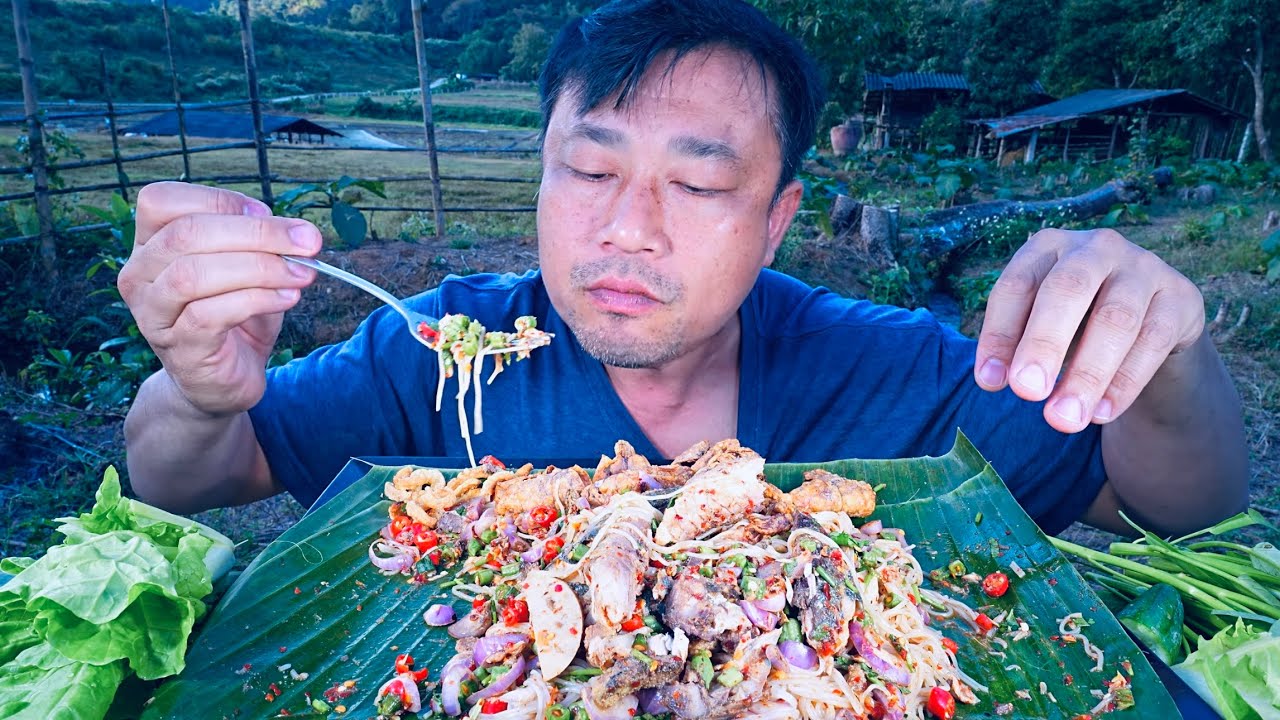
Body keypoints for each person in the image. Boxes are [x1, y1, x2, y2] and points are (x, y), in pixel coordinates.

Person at [118, 0, 1248, 538]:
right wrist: (197, 392)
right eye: (589, 170)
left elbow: (1176, 508)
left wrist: (1168, 365)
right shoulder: (432, 349)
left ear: (777, 219)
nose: (629, 229)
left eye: (700, 187)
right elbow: (185, 480)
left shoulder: (893, 373)